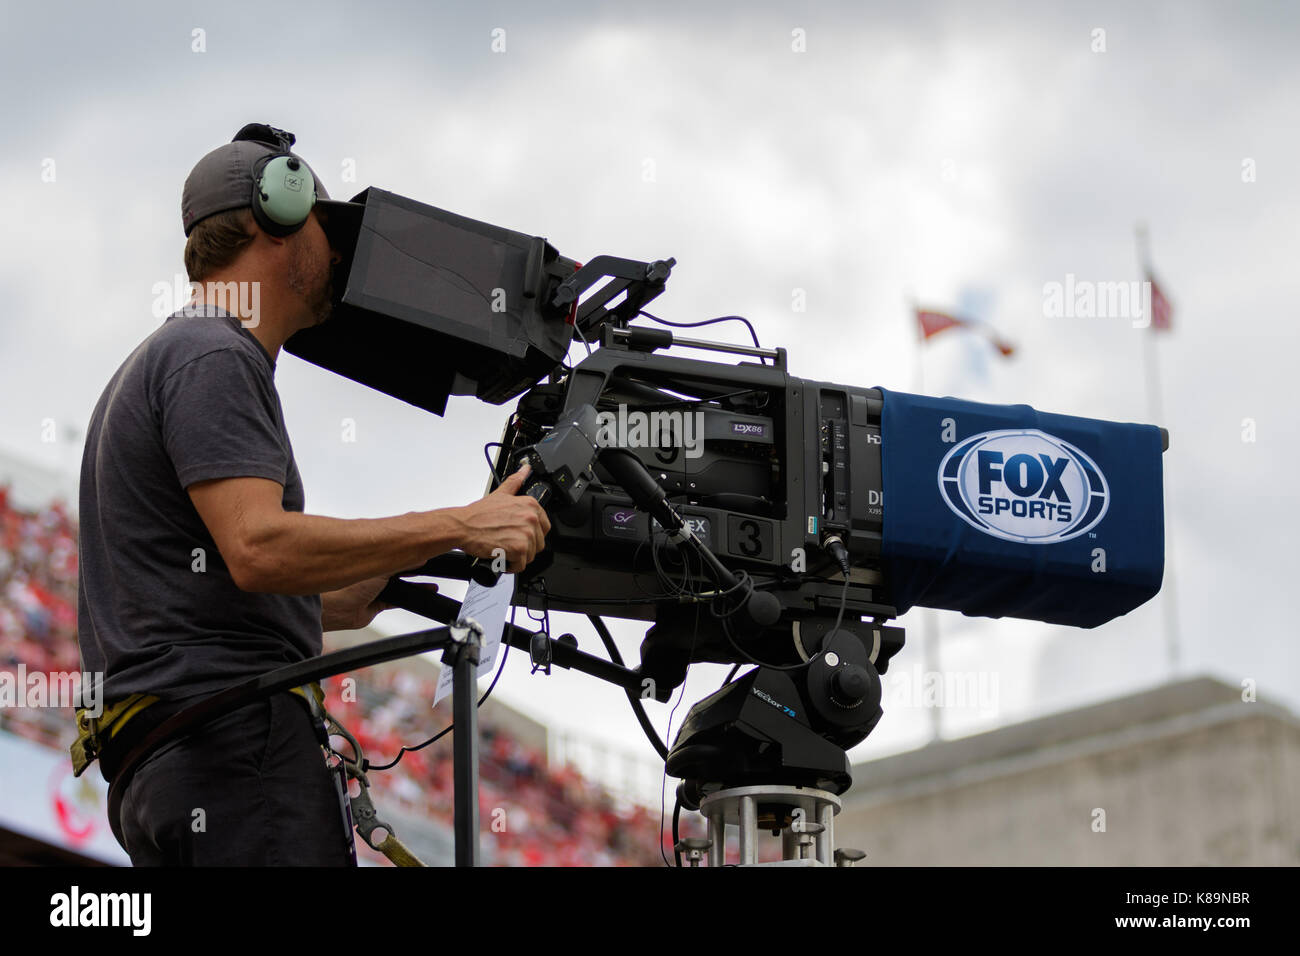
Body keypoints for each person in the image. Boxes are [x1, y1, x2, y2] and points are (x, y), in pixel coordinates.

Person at [75, 123, 550, 866]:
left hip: (175, 764)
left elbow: (221, 583)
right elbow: (259, 549)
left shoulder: (171, 355)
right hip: (235, 748)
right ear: (283, 220)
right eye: (330, 233)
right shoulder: (213, 354)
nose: (338, 258)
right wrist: (460, 521)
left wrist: (393, 574)